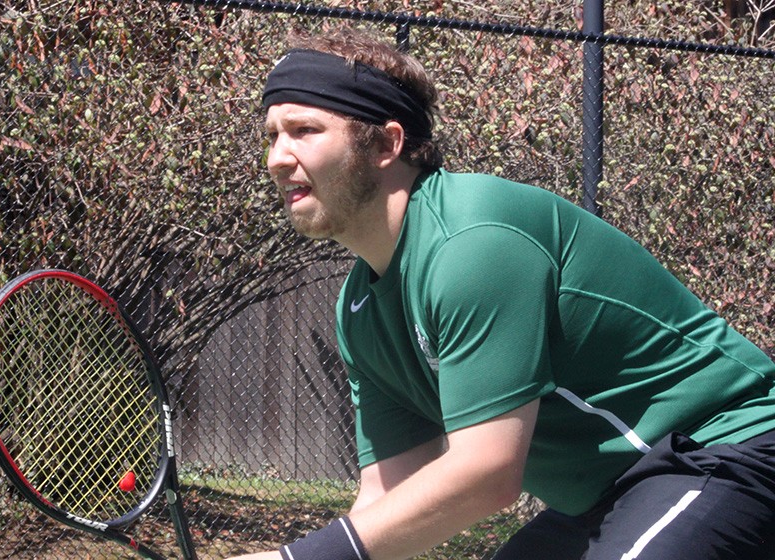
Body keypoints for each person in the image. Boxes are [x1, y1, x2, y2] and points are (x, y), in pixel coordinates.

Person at [230, 27, 775, 560]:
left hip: (725, 450)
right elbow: (385, 498)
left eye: (304, 130)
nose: (277, 157)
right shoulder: (361, 312)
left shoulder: (474, 243)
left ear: (386, 144)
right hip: (609, 494)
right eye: (272, 135)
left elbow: (486, 472)